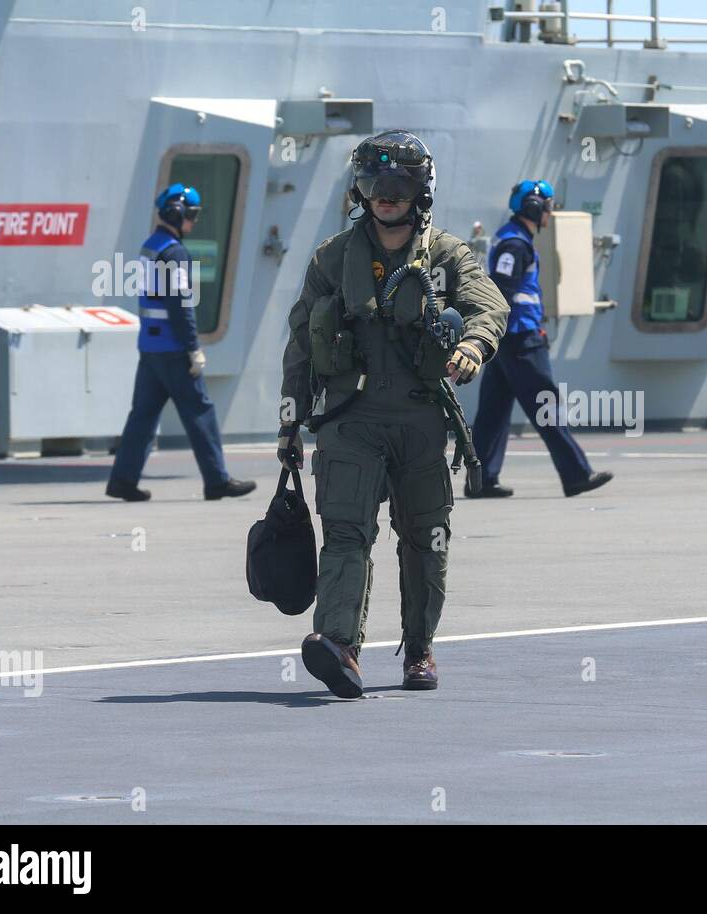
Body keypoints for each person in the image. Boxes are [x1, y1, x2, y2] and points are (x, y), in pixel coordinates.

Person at [278, 131, 509, 697]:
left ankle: (420, 649)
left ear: (418, 191)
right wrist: (289, 423)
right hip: (350, 420)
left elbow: (490, 306)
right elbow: (301, 346)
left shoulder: (449, 256)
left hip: (421, 420)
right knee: (345, 533)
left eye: (398, 185)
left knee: (426, 537)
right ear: (360, 190)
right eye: (373, 184)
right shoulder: (332, 260)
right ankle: (337, 645)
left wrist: (472, 346)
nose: (384, 196)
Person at [106, 184, 256, 501]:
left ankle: (122, 480)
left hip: (150, 348)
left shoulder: (151, 246)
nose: (193, 222)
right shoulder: (174, 253)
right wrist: (193, 349)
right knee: (200, 412)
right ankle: (217, 480)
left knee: (142, 416)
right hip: (174, 350)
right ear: (179, 214)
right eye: (192, 215)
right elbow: (180, 306)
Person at [467, 179, 613, 497]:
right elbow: (502, 293)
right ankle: (576, 474)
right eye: (547, 207)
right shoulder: (515, 245)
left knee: (493, 410)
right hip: (520, 339)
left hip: (510, 339)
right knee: (547, 406)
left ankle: (480, 481)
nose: (550, 213)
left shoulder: (514, 240)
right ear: (534, 208)